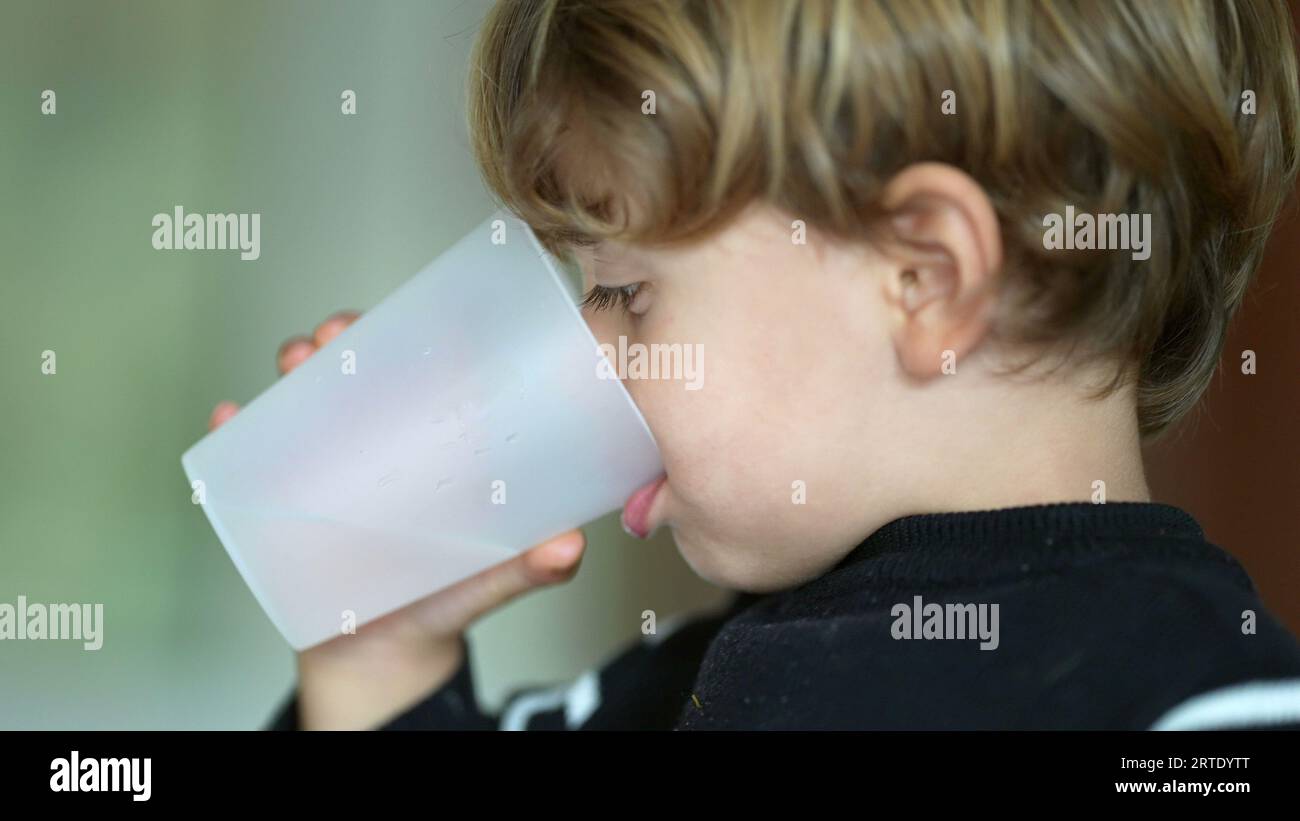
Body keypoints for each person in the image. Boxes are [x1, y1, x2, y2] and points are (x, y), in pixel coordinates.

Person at [213, 0, 1300, 729]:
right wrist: (377, 658)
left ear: (924, 277)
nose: (590, 349)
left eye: (628, 292)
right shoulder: (661, 690)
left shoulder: (1202, 710)